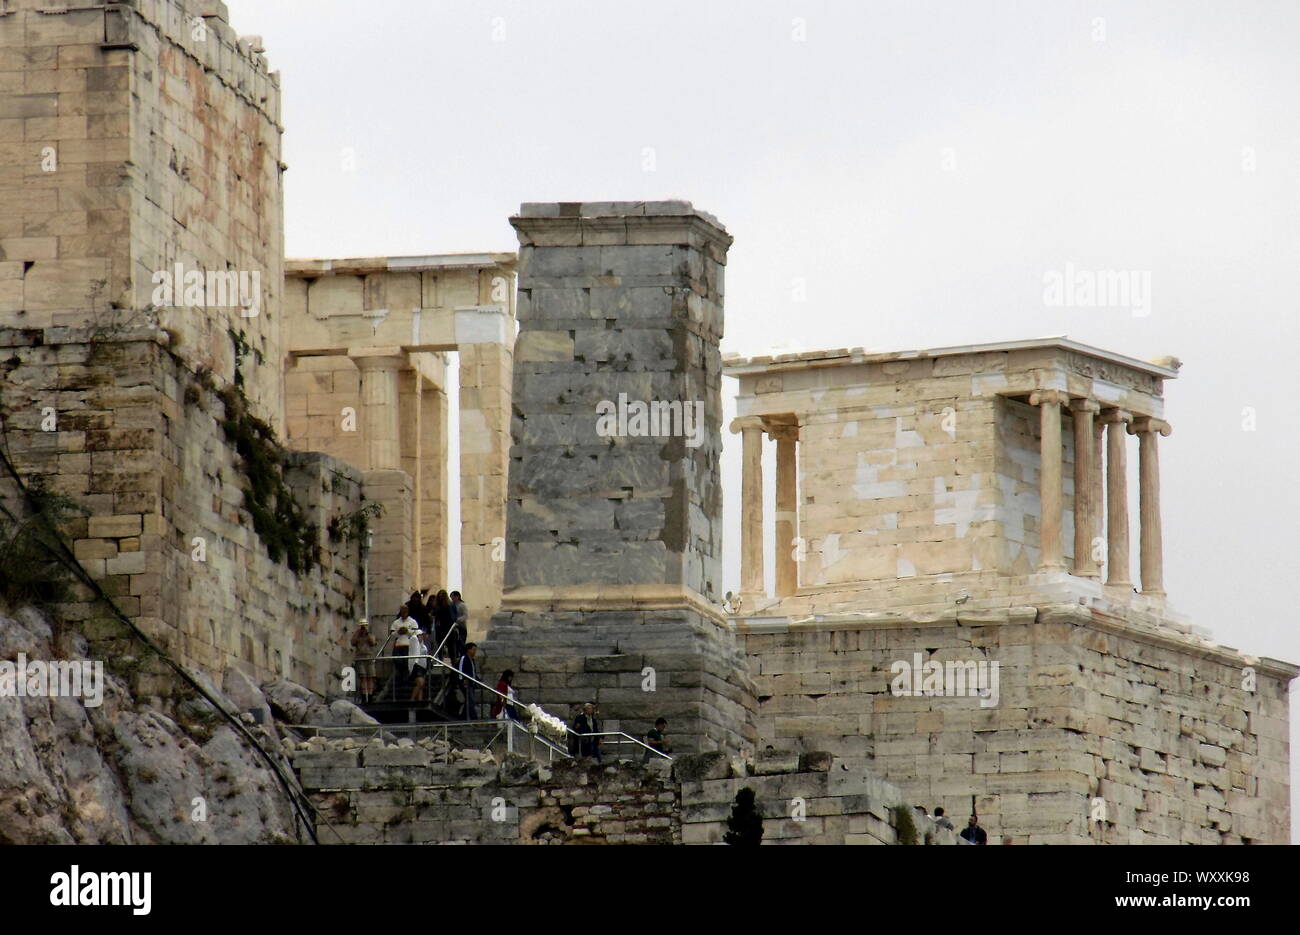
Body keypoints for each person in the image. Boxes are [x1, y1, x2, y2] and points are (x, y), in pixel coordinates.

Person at [350, 620, 377, 699]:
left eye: (364, 626)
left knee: (370, 677)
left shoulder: (370, 635)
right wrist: (358, 634)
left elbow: (372, 642)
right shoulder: (357, 635)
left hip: (369, 657)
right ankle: (364, 695)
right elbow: (353, 642)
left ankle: (370, 694)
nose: (363, 627)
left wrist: (367, 633)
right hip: (360, 657)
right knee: (363, 677)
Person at [391, 604, 417, 688]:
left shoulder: (412, 621)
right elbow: (392, 634)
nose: (403, 613)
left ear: (407, 612)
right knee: (398, 662)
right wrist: (398, 632)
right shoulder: (396, 622)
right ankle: (400, 679)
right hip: (399, 645)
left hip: (408, 645)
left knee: (407, 663)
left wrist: (407, 631)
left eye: (405, 611)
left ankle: (407, 680)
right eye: (402, 611)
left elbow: (416, 632)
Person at [431, 590, 457, 660]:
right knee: (440, 646)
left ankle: (453, 662)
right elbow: (433, 614)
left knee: (451, 647)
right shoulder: (437, 606)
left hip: (449, 628)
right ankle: (440, 660)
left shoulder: (450, 605)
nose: (441, 597)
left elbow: (454, 616)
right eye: (440, 596)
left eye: (442, 596)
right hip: (440, 628)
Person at [457, 642, 479, 720]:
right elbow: (460, 669)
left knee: (469, 701)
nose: (475, 652)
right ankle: (474, 718)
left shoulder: (472, 660)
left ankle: (462, 717)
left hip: (471, 683)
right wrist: (462, 679)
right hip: (466, 683)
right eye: (473, 650)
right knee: (471, 701)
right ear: (468, 650)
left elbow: (473, 672)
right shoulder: (464, 658)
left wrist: (478, 680)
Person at [408, 628, 429, 701]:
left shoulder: (424, 646)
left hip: (423, 666)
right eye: (419, 636)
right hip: (417, 666)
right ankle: (412, 699)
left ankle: (420, 699)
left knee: (421, 685)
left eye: (422, 636)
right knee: (420, 682)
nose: (421, 637)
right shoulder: (414, 644)